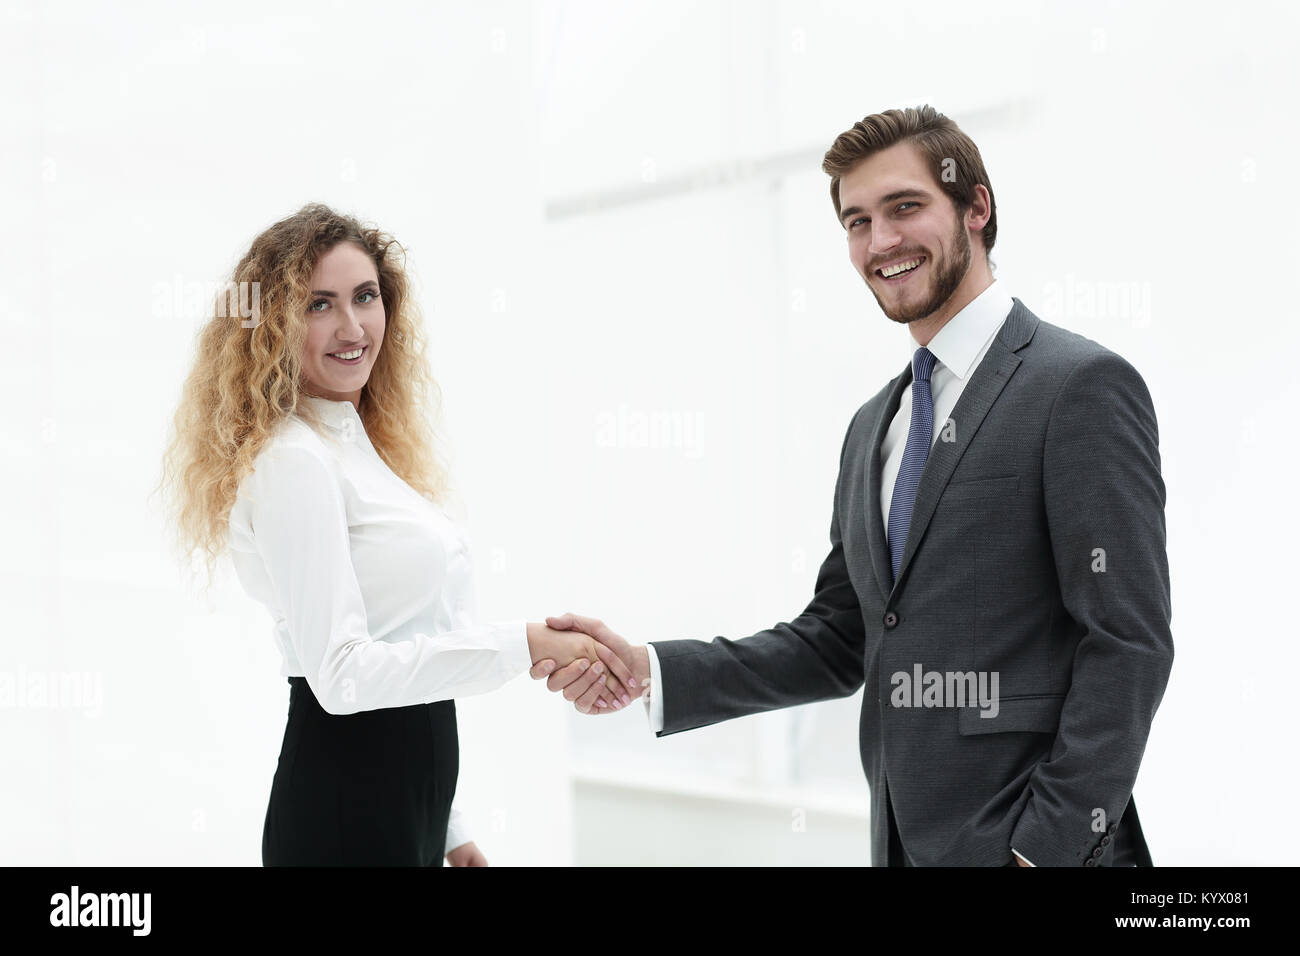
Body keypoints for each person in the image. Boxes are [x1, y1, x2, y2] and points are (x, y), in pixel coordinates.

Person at [534, 105, 1174, 867]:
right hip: (900, 843)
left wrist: (1044, 848)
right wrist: (651, 669)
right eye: (857, 221)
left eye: (905, 207)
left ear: (976, 207)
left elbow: (1129, 641)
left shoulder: (1079, 386)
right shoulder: (875, 425)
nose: (881, 242)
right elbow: (841, 640)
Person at [159, 203, 636, 867]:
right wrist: (523, 645)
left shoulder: (357, 446)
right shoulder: (295, 461)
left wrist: (447, 826)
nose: (352, 326)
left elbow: (411, 637)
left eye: (366, 297)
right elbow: (342, 677)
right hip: (347, 808)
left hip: (409, 802)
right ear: (272, 322)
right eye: (318, 304)